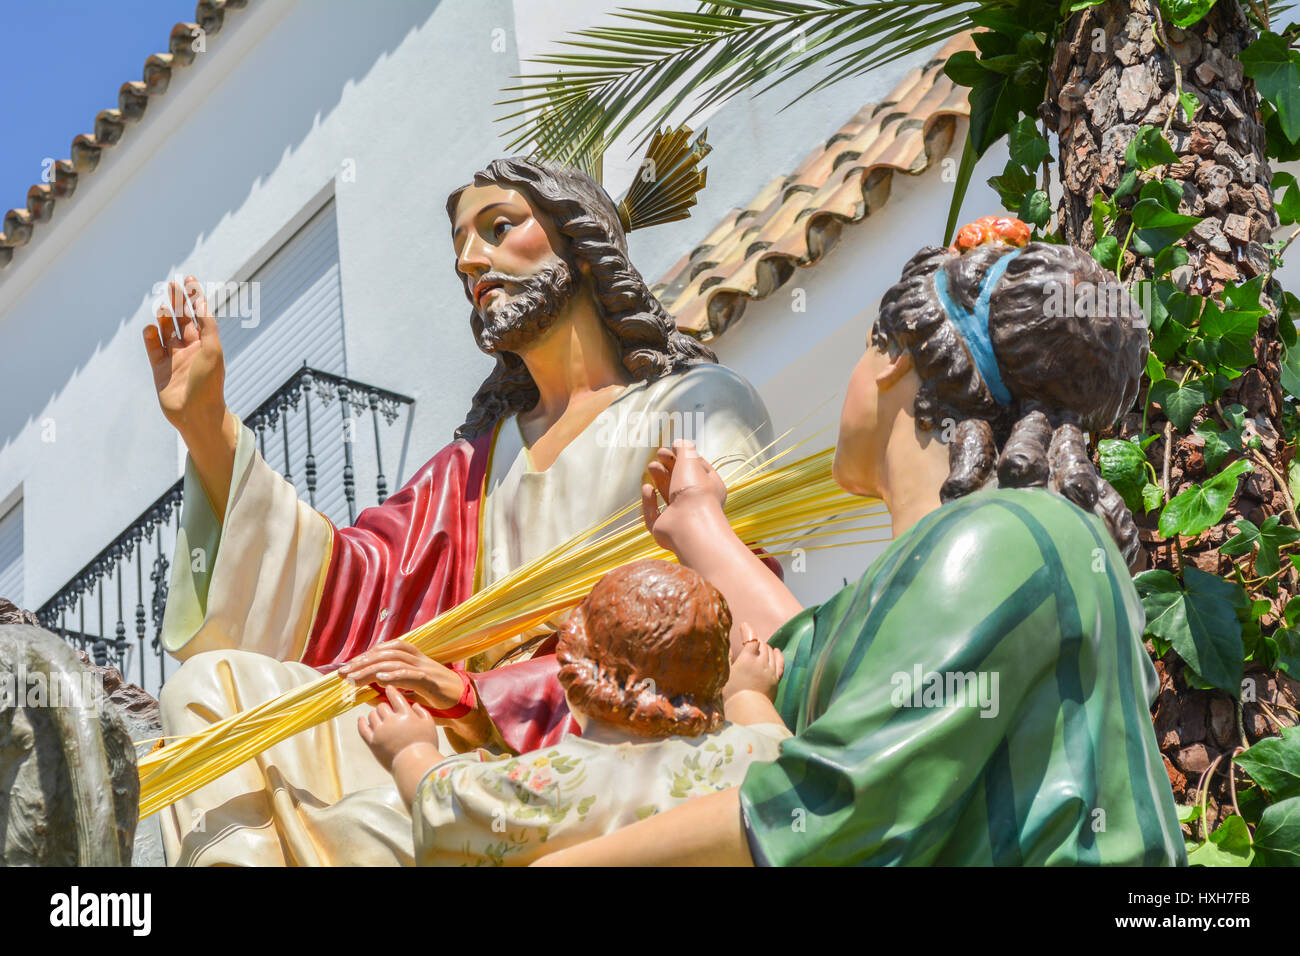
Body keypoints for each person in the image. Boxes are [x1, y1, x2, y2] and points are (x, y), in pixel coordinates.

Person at [143, 156, 773, 866]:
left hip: (609, 739)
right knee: (212, 686)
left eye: (500, 228)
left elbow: (726, 616)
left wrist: (480, 695)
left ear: (580, 242)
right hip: (447, 729)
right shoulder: (471, 467)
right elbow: (343, 595)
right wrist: (207, 427)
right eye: (461, 252)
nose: (474, 261)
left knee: (373, 819)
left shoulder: (693, 405)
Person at [535, 217, 1188, 866]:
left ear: (897, 356)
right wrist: (698, 525)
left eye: (862, 349)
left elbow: (837, 808)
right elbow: (805, 664)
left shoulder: (1006, 534)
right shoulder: (976, 550)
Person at [358, 559, 789, 865]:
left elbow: (446, 806)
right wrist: (748, 694)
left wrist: (409, 751)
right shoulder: (753, 753)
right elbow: (776, 744)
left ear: (573, 674)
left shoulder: (555, 779)